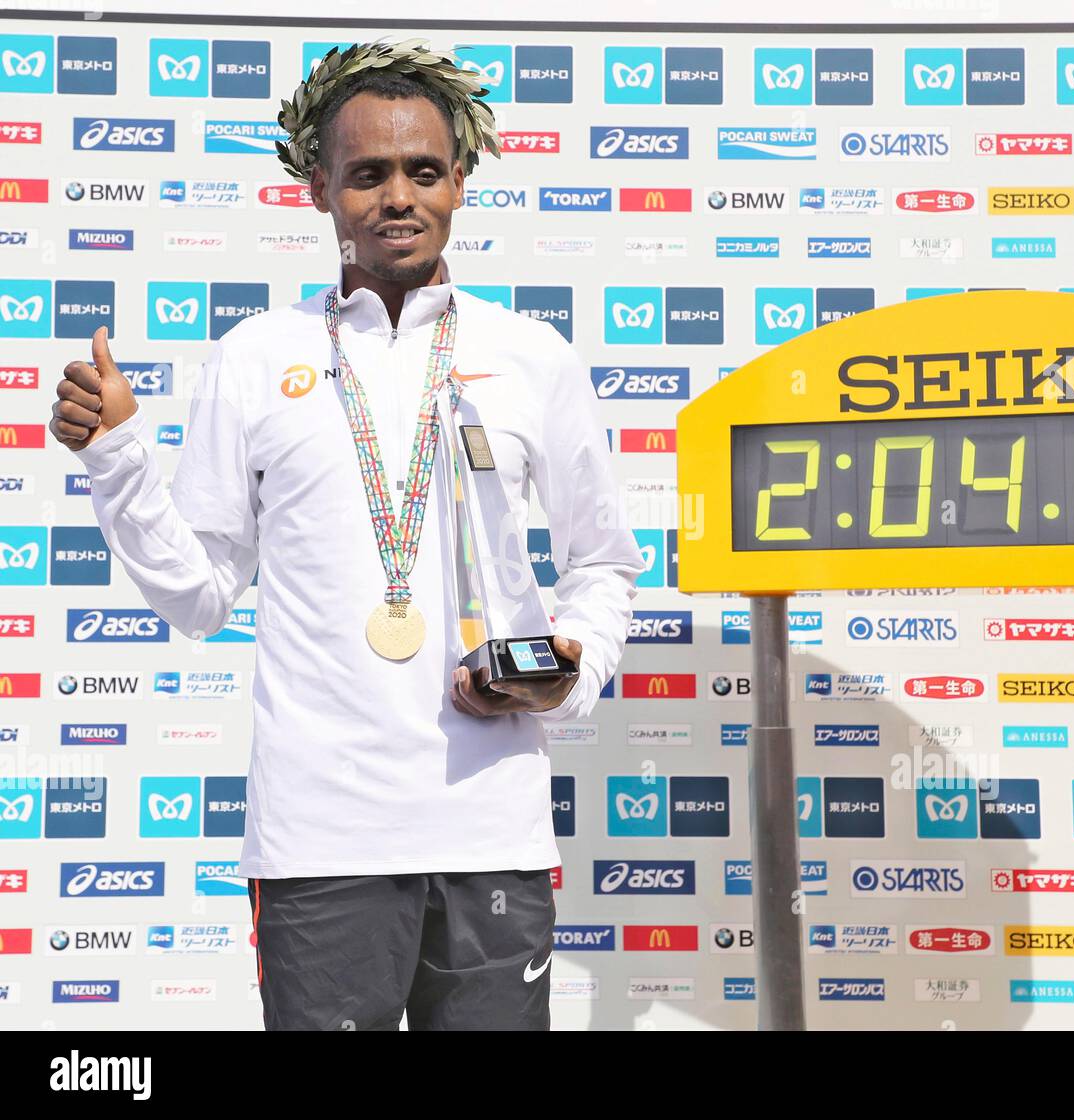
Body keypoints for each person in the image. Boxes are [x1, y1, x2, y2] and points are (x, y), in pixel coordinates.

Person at [49, 38, 644, 1031]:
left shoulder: (531, 357)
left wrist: (570, 670)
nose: (397, 196)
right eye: (366, 173)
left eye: (422, 170)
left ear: (461, 177)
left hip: (491, 827)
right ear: (318, 186)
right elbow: (200, 596)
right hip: (319, 841)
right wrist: (115, 457)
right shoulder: (255, 357)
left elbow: (604, 564)